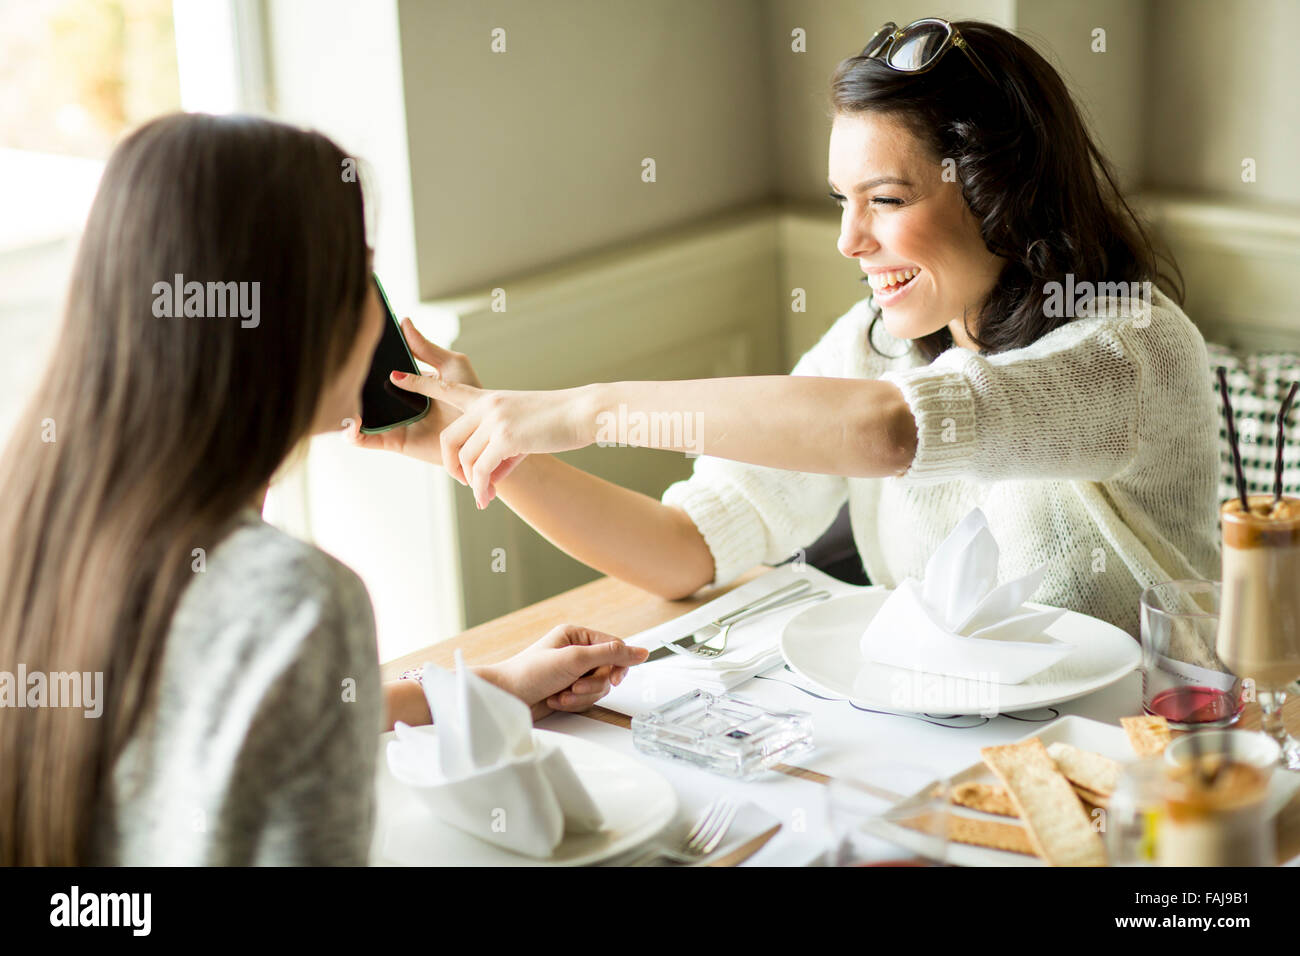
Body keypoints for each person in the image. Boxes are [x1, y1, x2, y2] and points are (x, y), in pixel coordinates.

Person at [357, 19, 1220, 643]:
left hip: (1151, 771)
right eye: (842, 203)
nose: (851, 241)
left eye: (885, 200)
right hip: (945, 760)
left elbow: (891, 431)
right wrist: (489, 447)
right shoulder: (875, 341)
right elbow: (685, 550)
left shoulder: (1130, 346)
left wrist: (583, 408)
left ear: (1001, 195)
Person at [0, 112, 647, 866]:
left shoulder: (38, 521)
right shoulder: (297, 598)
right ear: (298, 317)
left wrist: (488, 687)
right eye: (361, 273)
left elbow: (216, 720)